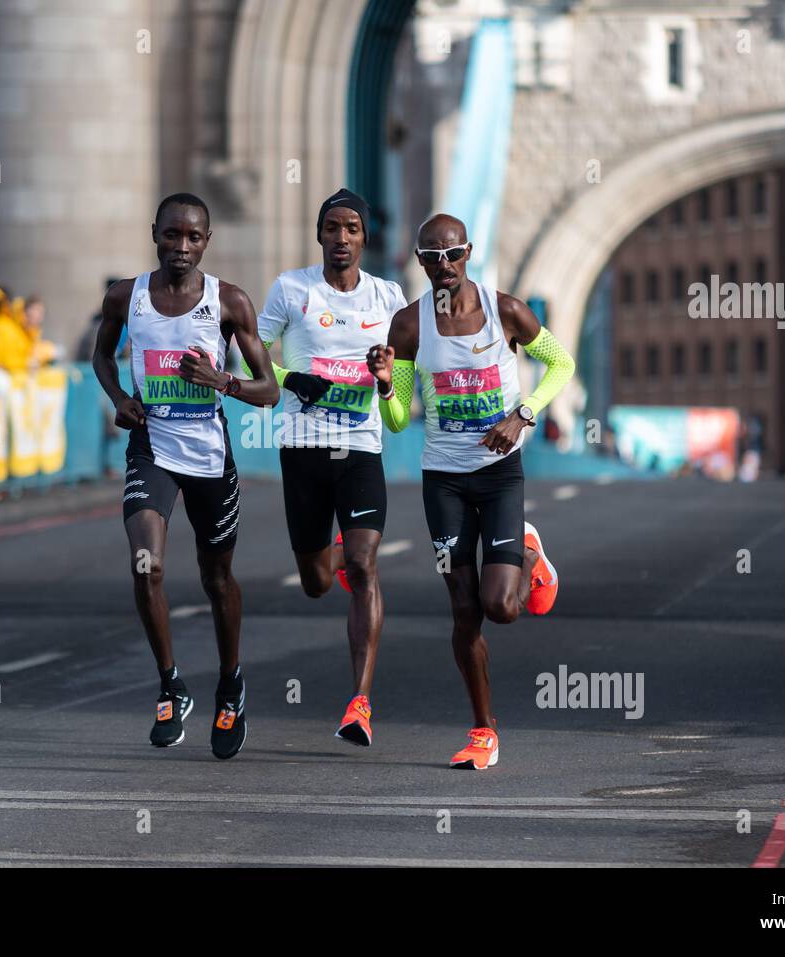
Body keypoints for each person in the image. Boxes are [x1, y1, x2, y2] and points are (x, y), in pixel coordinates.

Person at [367, 213, 574, 770]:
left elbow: (560, 363)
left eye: (452, 254)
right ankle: (483, 731)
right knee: (464, 611)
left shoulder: (505, 310)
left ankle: (530, 553)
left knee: (500, 607)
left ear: (468, 253)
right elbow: (394, 419)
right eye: (431, 257)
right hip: (444, 481)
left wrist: (523, 414)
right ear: (419, 261)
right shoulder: (408, 327)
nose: (443, 266)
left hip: (500, 473)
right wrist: (387, 384)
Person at [92, 192, 278, 759]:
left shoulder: (230, 303)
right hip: (152, 447)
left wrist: (220, 381)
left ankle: (230, 684)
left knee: (217, 579)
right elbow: (103, 356)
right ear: (155, 234)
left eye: (193, 237)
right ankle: (171, 685)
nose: (181, 247)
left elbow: (268, 390)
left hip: (208, 454)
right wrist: (121, 397)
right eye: (172, 235)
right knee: (145, 565)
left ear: (207, 242)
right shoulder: (126, 297)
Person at [250, 187, 407, 746]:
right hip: (303, 448)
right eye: (332, 228)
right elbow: (250, 351)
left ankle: (359, 703)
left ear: (365, 238)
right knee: (318, 581)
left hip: (360, 448)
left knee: (365, 565)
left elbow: (398, 411)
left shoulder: (388, 298)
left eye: (352, 229)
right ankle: (331, 560)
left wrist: (388, 380)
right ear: (319, 235)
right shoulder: (291, 289)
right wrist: (293, 378)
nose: (341, 238)